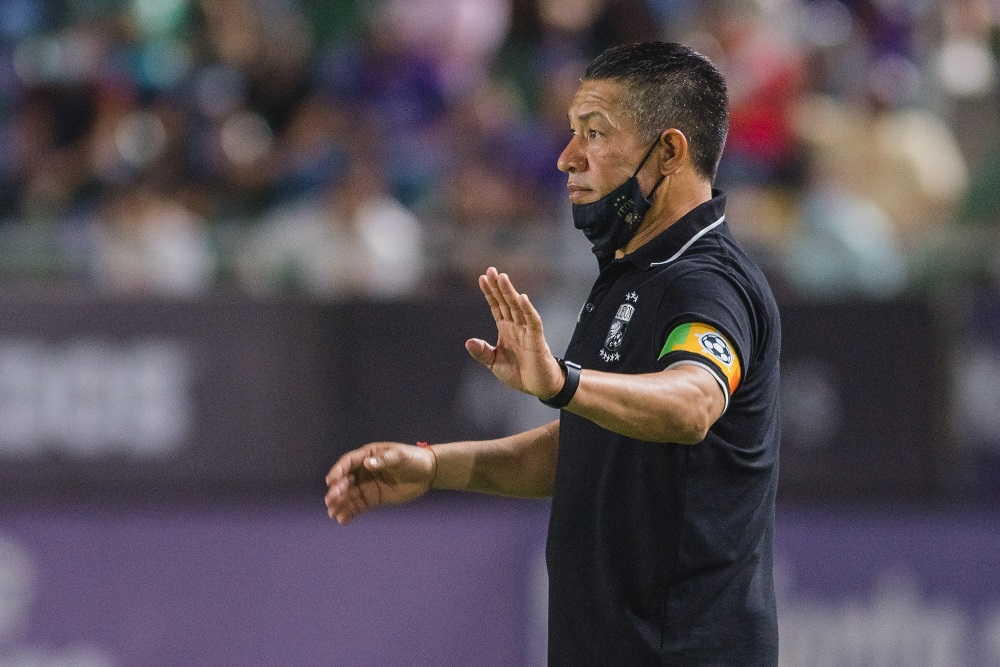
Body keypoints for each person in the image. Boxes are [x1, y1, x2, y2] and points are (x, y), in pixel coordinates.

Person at [325, 42, 781, 666]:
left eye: (594, 134)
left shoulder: (706, 280)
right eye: (571, 133)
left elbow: (693, 400)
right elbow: (591, 451)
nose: (567, 157)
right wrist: (433, 466)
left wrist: (563, 382)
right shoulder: (631, 275)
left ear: (671, 151)